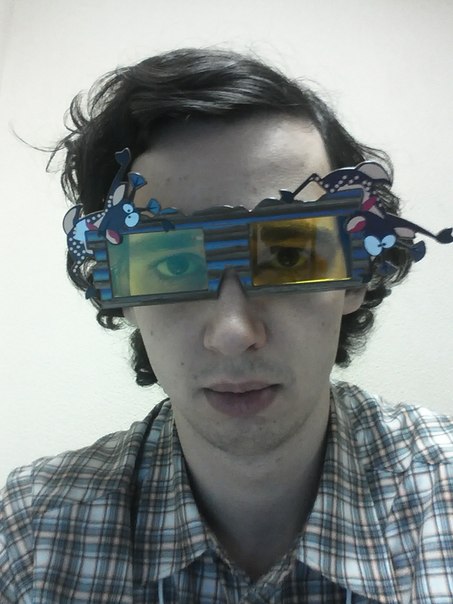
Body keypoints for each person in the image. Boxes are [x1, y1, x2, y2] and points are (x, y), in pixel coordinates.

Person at [1, 48, 452, 604]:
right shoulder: (30, 538)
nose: (234, 332)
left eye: (290, 256)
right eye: (172, 265)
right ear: (120, 295)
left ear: (356, 278)